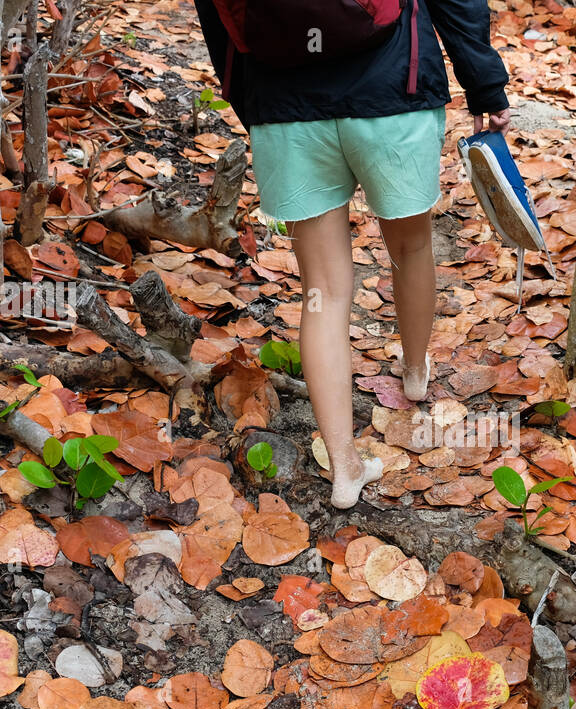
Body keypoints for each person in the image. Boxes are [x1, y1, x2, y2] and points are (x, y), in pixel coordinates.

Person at [193, 0, 513, 508]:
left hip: (284, 104)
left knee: (322, 289)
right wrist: (485, 86)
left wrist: (252, 103)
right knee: (411, 247)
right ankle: (413, 371)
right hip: (392, 93)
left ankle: (345, 468)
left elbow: (219, 17)